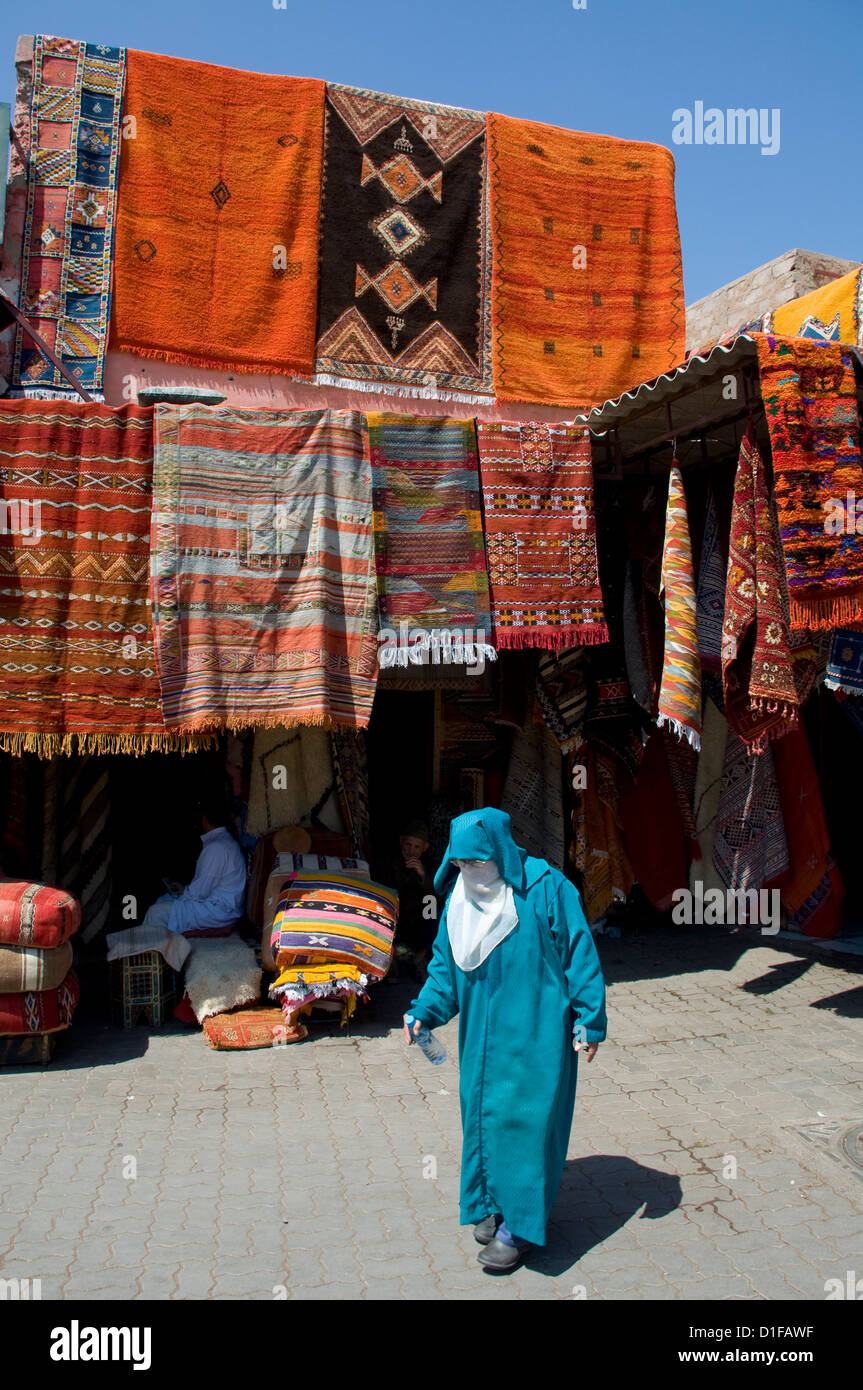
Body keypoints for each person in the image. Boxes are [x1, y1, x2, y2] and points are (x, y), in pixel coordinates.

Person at [403, 806, 606, 1272]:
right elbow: (444, 968)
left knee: (526, 1125)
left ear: (499, 852)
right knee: (483, 1119)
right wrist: (424, 1012)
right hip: (481, 1041)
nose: (469, 873)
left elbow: (580, 954)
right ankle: (493, 1204)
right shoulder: (460, 897)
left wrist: (590, 1021)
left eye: (477, 863)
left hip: (537, 1036)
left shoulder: (547, 889)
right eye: (460, 864)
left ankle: (521, 1228)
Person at [141, 794, 247, 936]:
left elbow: (201, 891)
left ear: (204, 820)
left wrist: (184, 895)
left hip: (219, 912)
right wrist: (184, 891)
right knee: (163, 902)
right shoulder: (223, 841)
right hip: (220, 908)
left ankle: (151, 953)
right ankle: (160, 949)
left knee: (156, 912)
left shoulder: (217, 846)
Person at [385, 818, 437, 981]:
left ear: (425, 848)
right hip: (396, 914)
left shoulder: (430, 865)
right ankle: (390, 961)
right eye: (408, 845)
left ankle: (419, 959)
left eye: (417, 847)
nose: (411, 851)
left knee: (432, 904)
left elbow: (435, 894)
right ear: (401, 842)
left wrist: (423, 876)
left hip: (417, 917)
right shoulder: (389, 861)